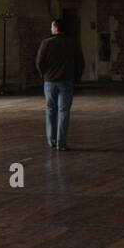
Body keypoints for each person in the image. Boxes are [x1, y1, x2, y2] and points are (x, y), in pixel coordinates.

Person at [35, 18, 85, 151]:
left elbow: (39, 62)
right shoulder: (72, 43)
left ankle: (51, 140)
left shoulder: (46, 43)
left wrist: (44, 75)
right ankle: (61, 143)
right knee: (64, 112)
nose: (51, 29)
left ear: (56, 28)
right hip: (66, 81)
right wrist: (77, 77)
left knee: (51, 110)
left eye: (52, 27)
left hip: (50, 82)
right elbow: (80, 62)